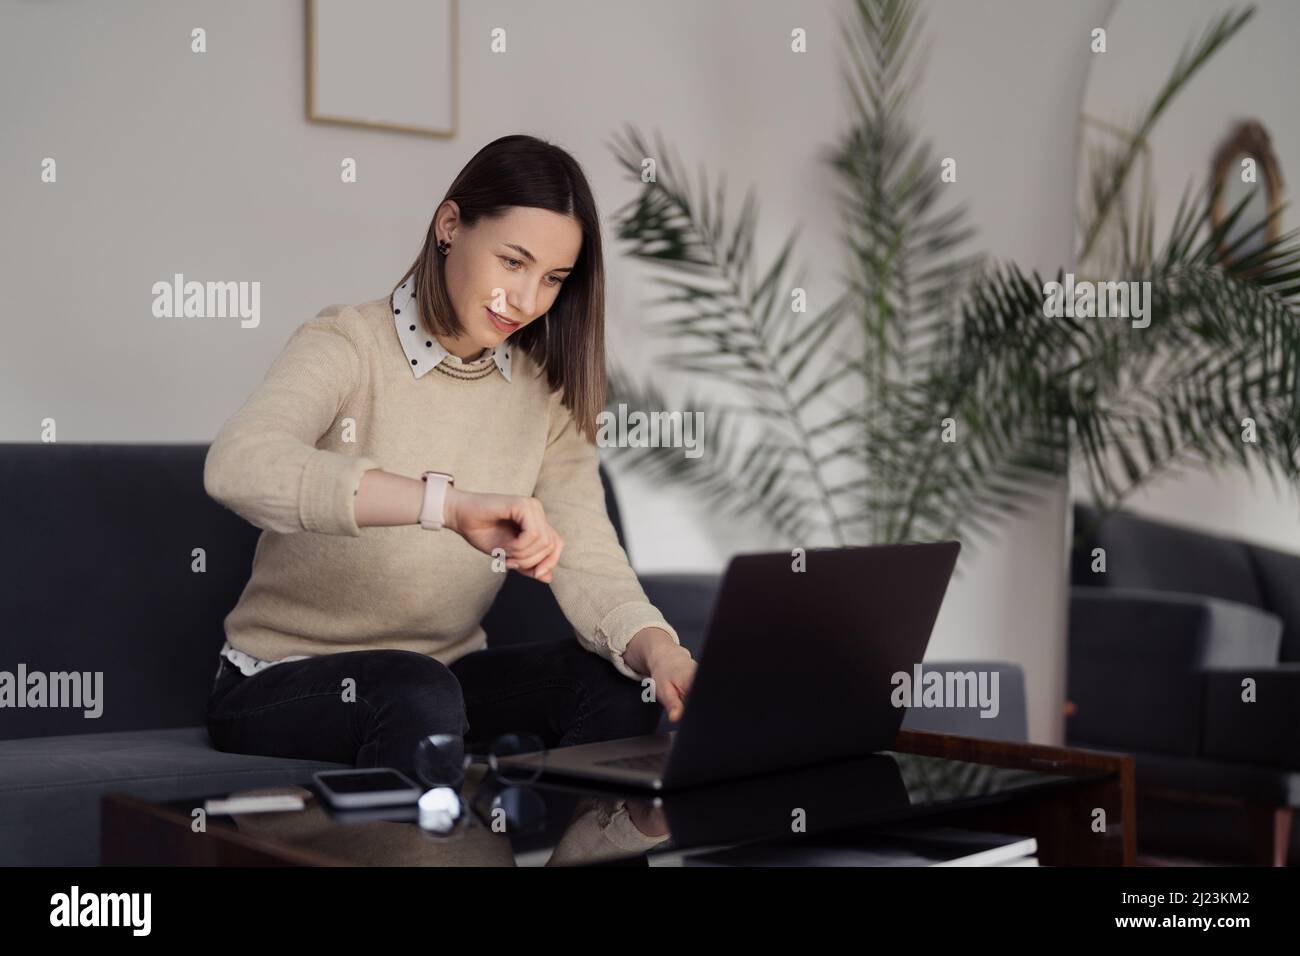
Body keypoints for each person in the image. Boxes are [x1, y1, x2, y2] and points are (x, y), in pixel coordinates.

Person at [204, 133, 696, 783]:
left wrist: (660, 649)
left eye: (553, 279)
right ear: (450, 226)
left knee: (616, 685)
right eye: (513, 262)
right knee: (417, 692)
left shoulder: (544, 392)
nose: (527, 300)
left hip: (443, 678)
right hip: (282, 679)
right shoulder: (346, 343)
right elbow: (238, 465)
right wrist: (444, 506)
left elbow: (586, 553)